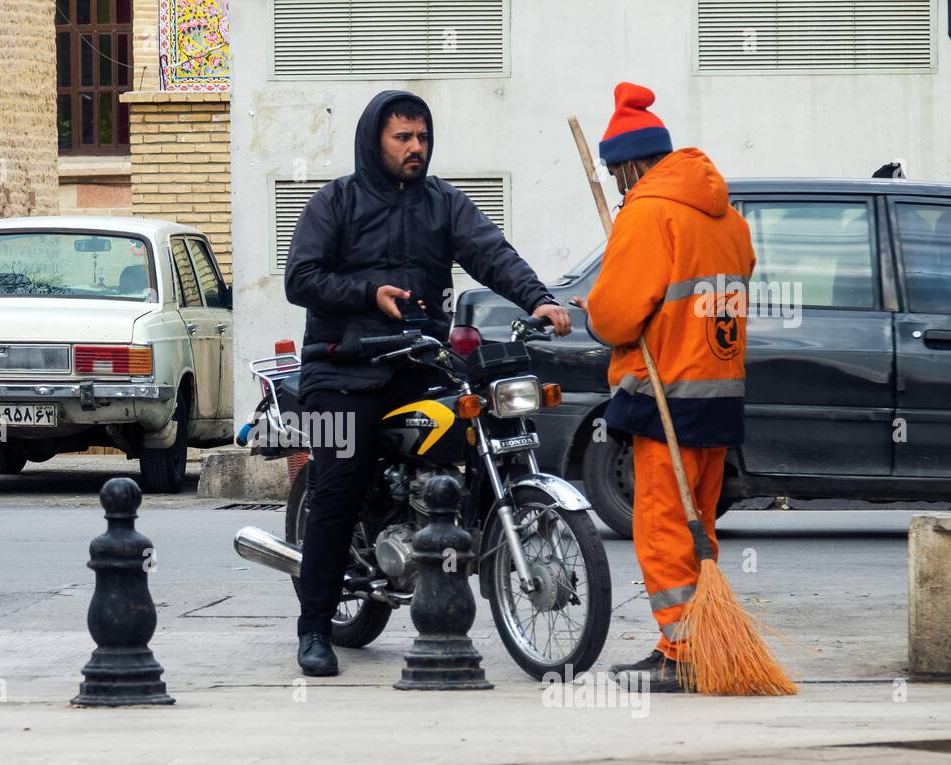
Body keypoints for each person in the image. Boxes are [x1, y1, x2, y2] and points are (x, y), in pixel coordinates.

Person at [284, 89, 570, 677]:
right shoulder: (334, 201)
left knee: (484, 419)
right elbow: (301, 278)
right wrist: (369, 294)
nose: (417, 147)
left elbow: (491, 252)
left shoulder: (443, 202)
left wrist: (538, 299)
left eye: (423, 137)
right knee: (339, 483)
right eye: (403, 138)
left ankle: (465, 538)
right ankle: (314, 627)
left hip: (420, 360)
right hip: (341, 366)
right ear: (375, 141)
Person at [572, 82, 757, 692]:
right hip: (718, 393)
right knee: (698, 523)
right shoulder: (726, 216)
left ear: (629, 162)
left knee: (662, 526)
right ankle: (703, 638)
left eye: (617, 171)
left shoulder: (648, 213)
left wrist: (596, 314)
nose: (618, 184)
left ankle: (682, 650)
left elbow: (618, 315)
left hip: (666, 398)